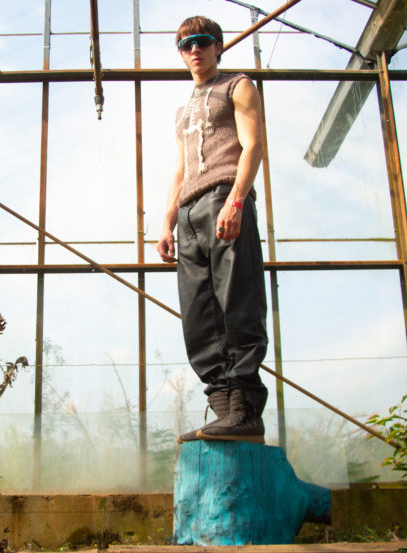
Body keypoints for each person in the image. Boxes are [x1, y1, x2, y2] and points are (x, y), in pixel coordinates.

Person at [156, 16, 268, 443]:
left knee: (236, 301)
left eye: (202, 42)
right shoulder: (183, 111)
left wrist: (237, 200)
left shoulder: (237, 85)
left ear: (218, 47)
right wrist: (166, 221)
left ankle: (245, 410)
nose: (194, 50)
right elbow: (181, 168)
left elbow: (254, 144)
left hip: (224, 198)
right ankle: (223, 410)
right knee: (199, 314)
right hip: (188, 212)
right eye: (185, 45)